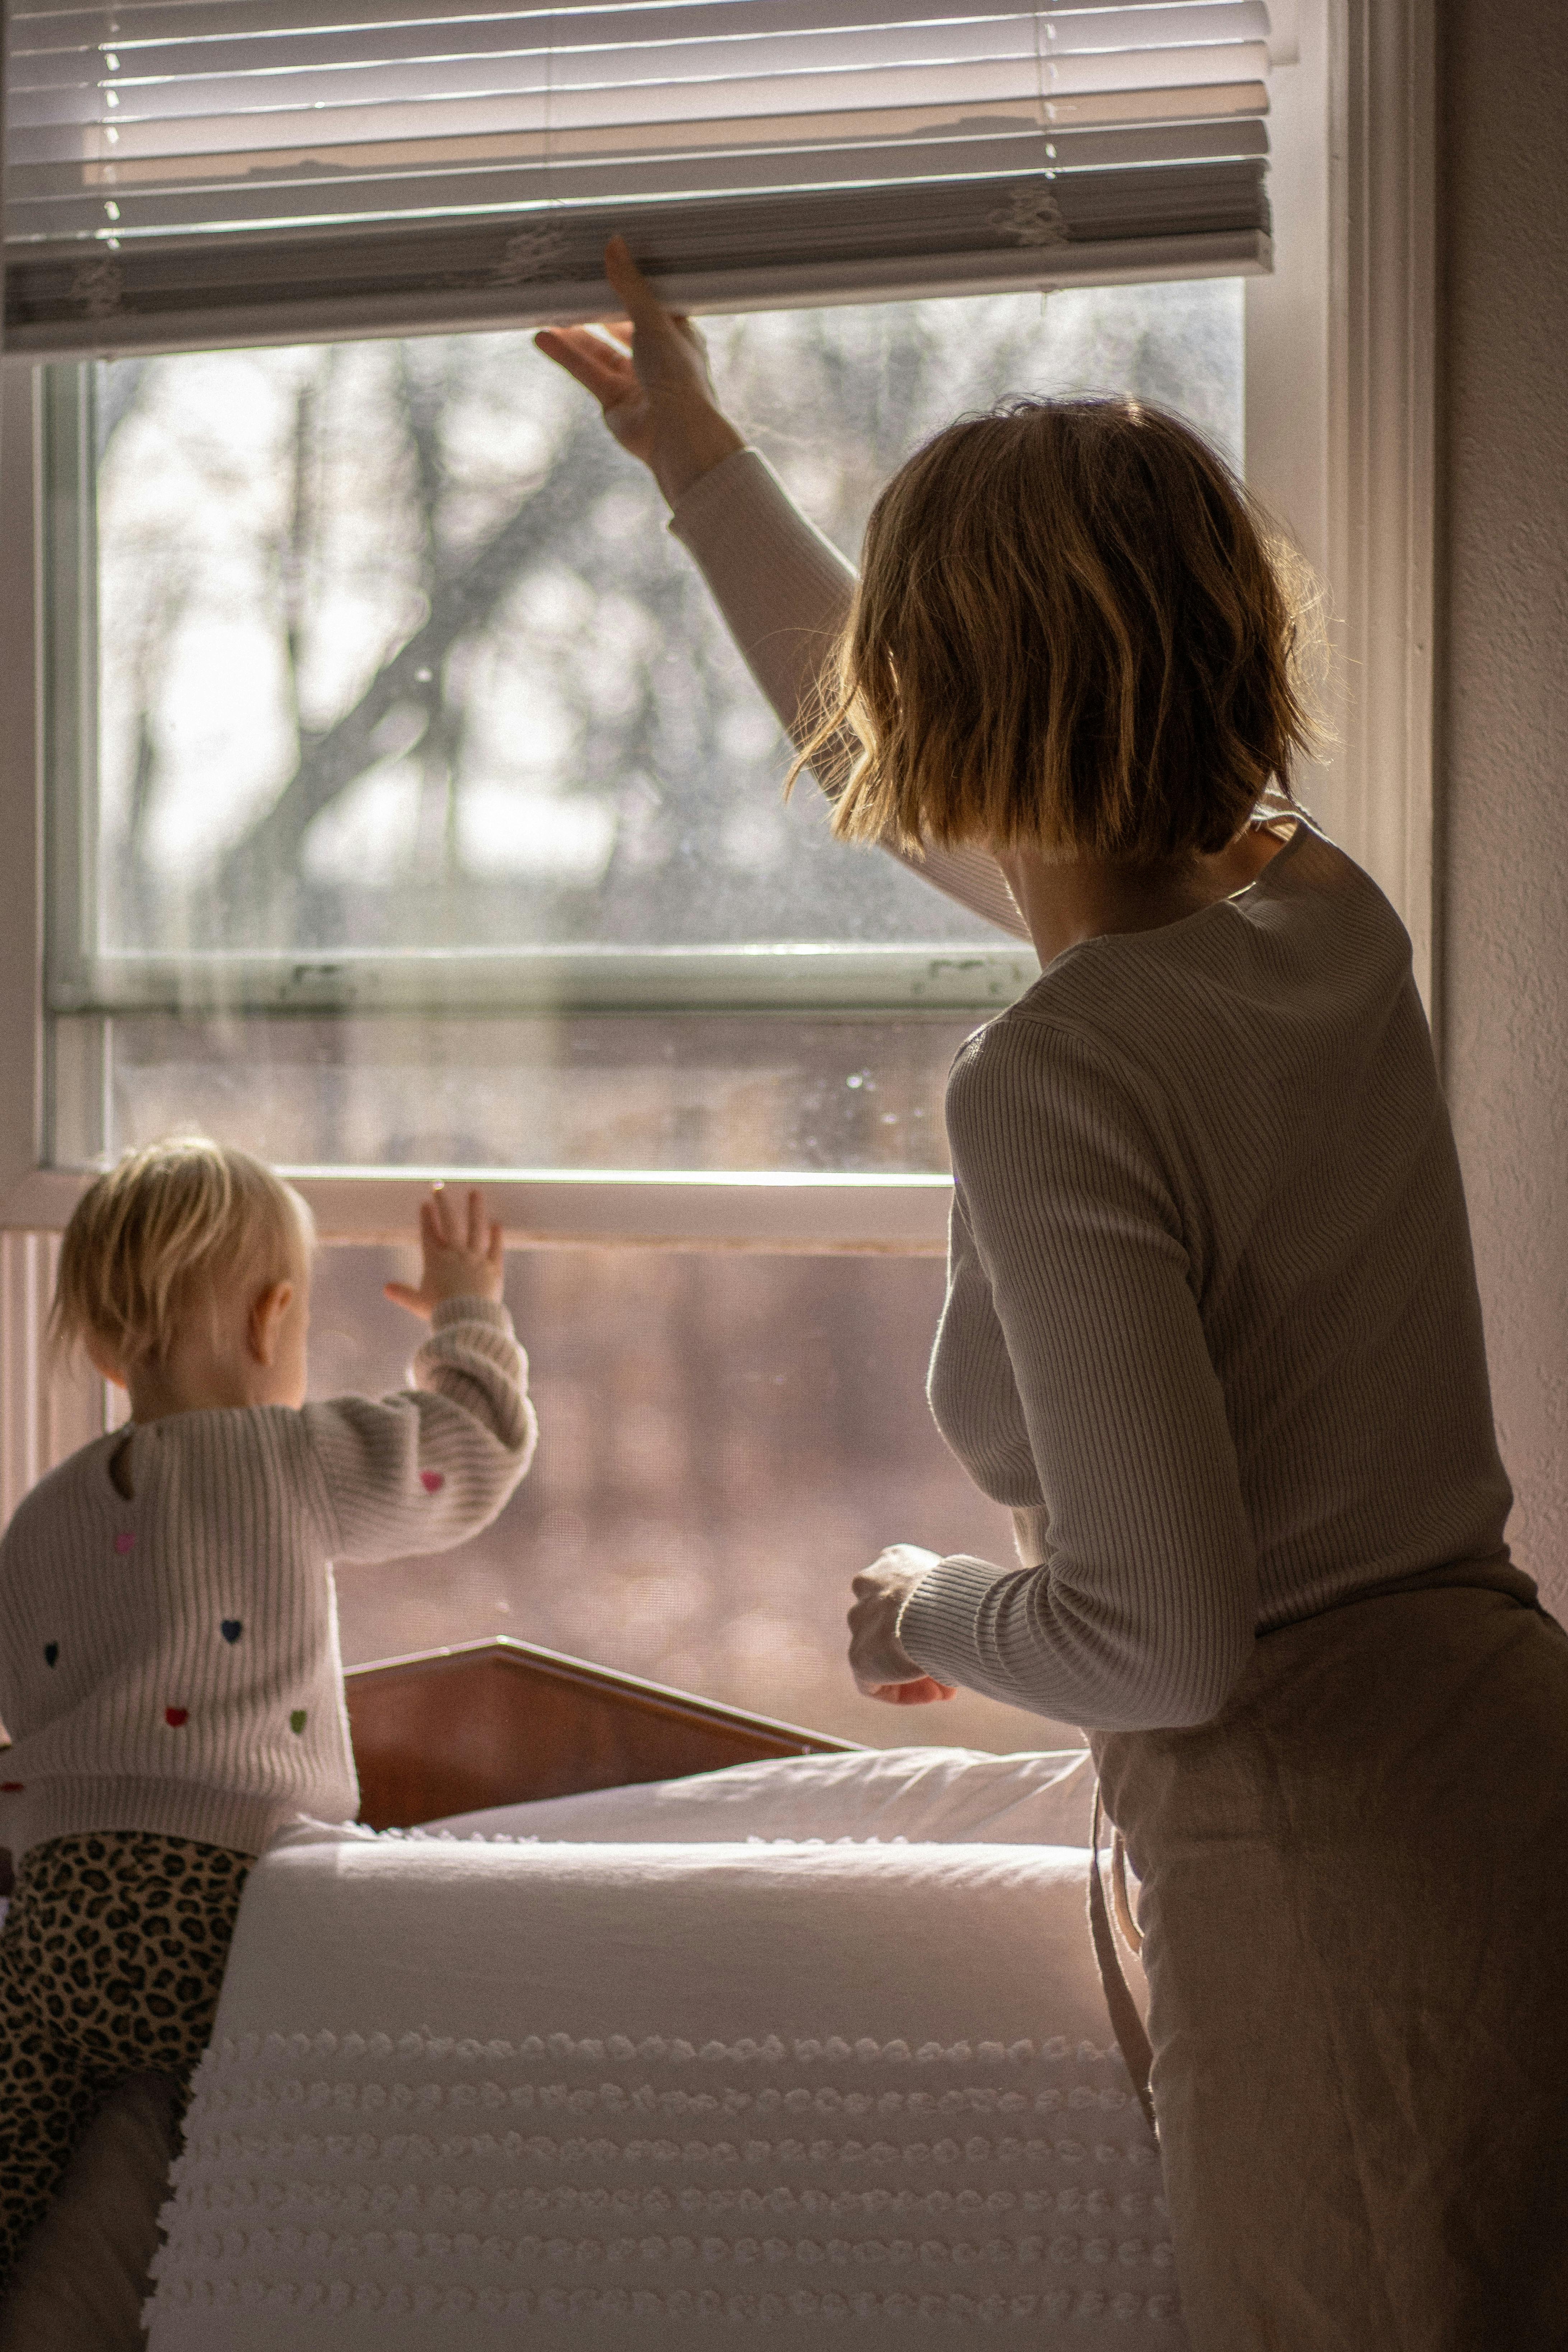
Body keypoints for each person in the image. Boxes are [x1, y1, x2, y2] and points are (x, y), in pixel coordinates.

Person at [538, 242, 1568, 2347]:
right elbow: (943, 791)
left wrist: (915, 1602)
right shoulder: (1316, 908)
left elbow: (1163, 1637)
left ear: (948, 699)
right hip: (1504, 1767)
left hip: (1324, 1858)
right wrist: (700, 462)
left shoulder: (1061, 1068)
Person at [0, 1143, 536, 2279]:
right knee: (291, 2164)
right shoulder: (287, 1459)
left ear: (97, 1341)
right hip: (226, 1907)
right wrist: (466, 1313)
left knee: (16, 2160)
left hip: (56, 1915)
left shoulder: (40, 1515)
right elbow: (470, 1453)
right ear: (274, 1315)